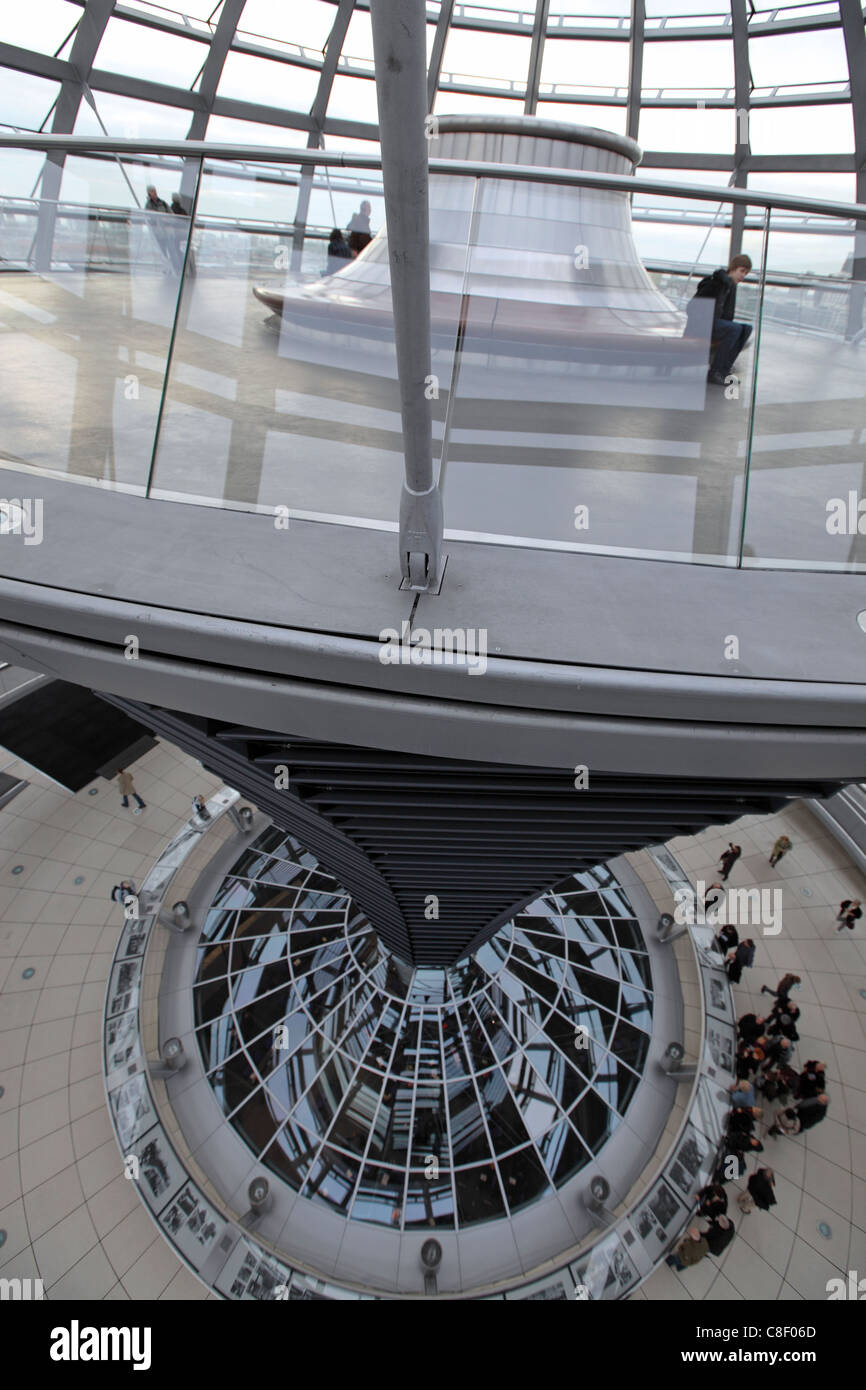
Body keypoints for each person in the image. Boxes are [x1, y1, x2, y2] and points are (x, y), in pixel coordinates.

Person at [686, 254, 753, 385]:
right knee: (735, 329)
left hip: (713, 325)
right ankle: (715, 372)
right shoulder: (716, 283)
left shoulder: (731, 286)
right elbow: (692, 308)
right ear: (733, 268)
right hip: (701, 326)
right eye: (741, 271)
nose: (743, 276)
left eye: (746, 273)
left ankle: (724, 370)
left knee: (746, 329)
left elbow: (727, 315)